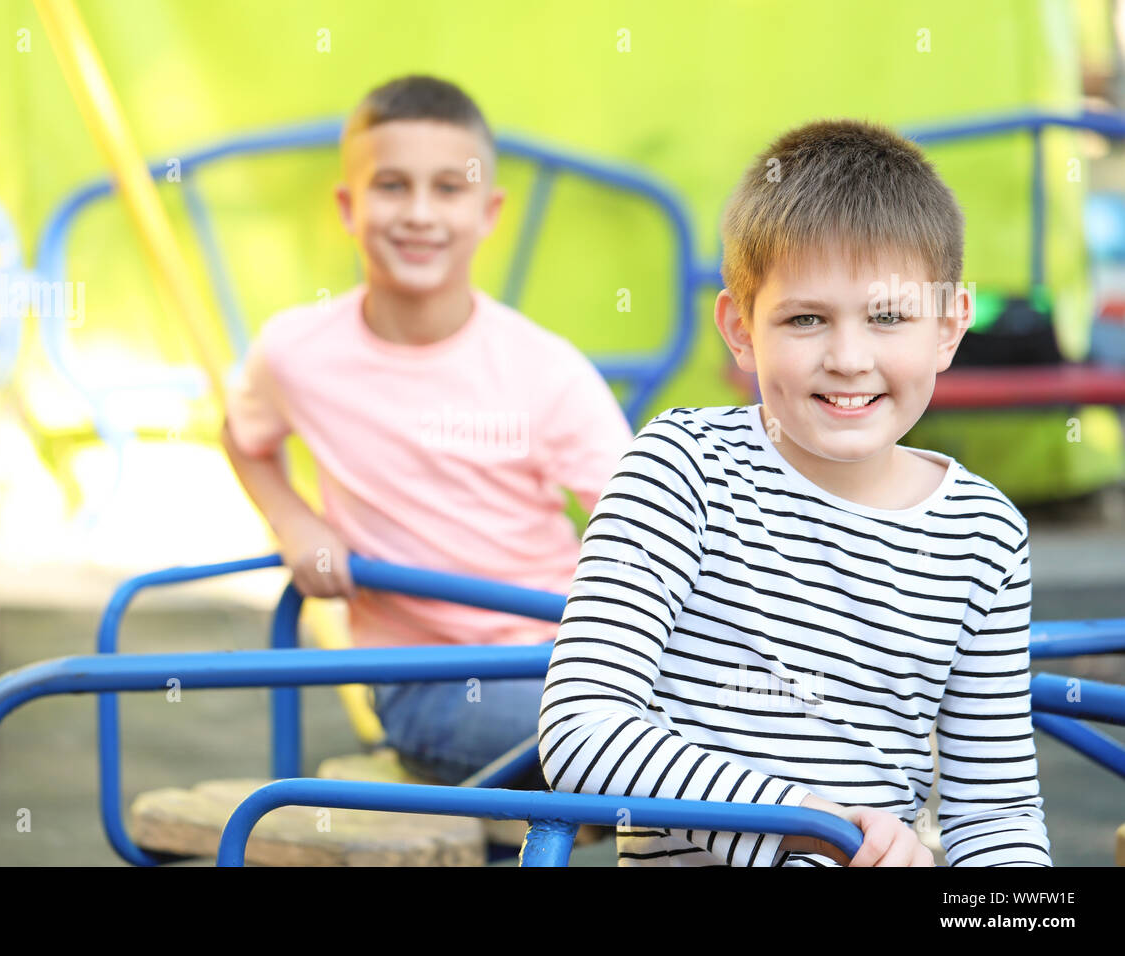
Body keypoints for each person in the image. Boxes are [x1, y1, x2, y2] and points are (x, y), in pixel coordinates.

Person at [539, 118, 1053, 867]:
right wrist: (803, 820)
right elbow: (583, 728)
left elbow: (996, 813)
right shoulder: (681, 469)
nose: (848, 358)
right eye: (806, 318)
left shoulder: (985, 534)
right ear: (740, 328)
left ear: (949, 325)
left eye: (887, 318)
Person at [223, 75, 633, 788]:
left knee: (717, 727)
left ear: (488, 211)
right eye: (391, 186)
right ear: (349, 208)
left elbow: (641, 523)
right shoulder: (296, 352)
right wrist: (295, 523)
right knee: (635, 745)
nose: (419, 213)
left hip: (567, 658)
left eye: (448, 188)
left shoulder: (545, 371)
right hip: (428, 681)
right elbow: (241, 435)